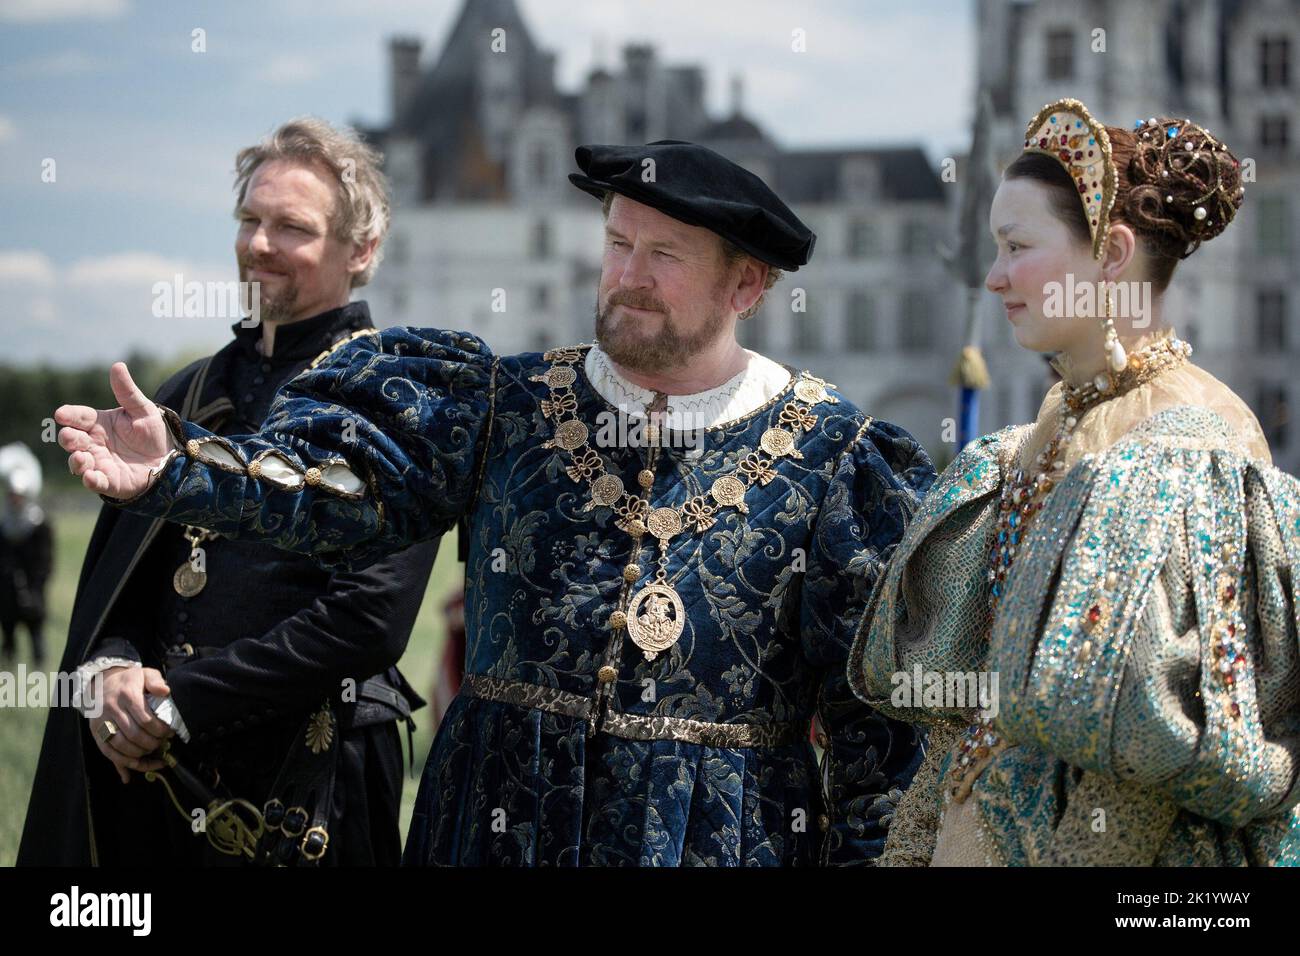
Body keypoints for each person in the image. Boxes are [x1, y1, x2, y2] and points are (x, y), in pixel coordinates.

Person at [55, 140, 936, 866]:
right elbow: (339, 493)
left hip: (722, 839)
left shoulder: (836, 457)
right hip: (494, 826)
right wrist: (185, 470)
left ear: (746, 286)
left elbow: (880, 736)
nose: (627, 276)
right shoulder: (504, 404)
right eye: (618, 244)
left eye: (664, 256)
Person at [850, 98, 1300, 865]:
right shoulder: (1053, 419)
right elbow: (972, 712)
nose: (995, 277)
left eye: (1017, 246)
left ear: (1112, 255)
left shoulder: (1196, 437)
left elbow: (1166, 735)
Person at [20, 118, 438, 867]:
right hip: (156, 780)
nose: (259, 244)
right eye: (249, 219)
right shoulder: (190, 394)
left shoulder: (395, 403)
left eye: (292, 227)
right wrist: (110, 672)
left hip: (312, 785)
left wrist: (181, 703)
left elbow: (368, 620)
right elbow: (124, 591)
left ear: (362, 249)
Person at [0, 444, 53, 667]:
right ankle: (8, 668)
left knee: (35, 634)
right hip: (7, 591)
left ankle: (39, 668)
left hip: (33, 589)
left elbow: (45, 561)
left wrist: (35, 588)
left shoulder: (39, 524)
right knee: (8, 634)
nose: (15, 500)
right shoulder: (4, 524)